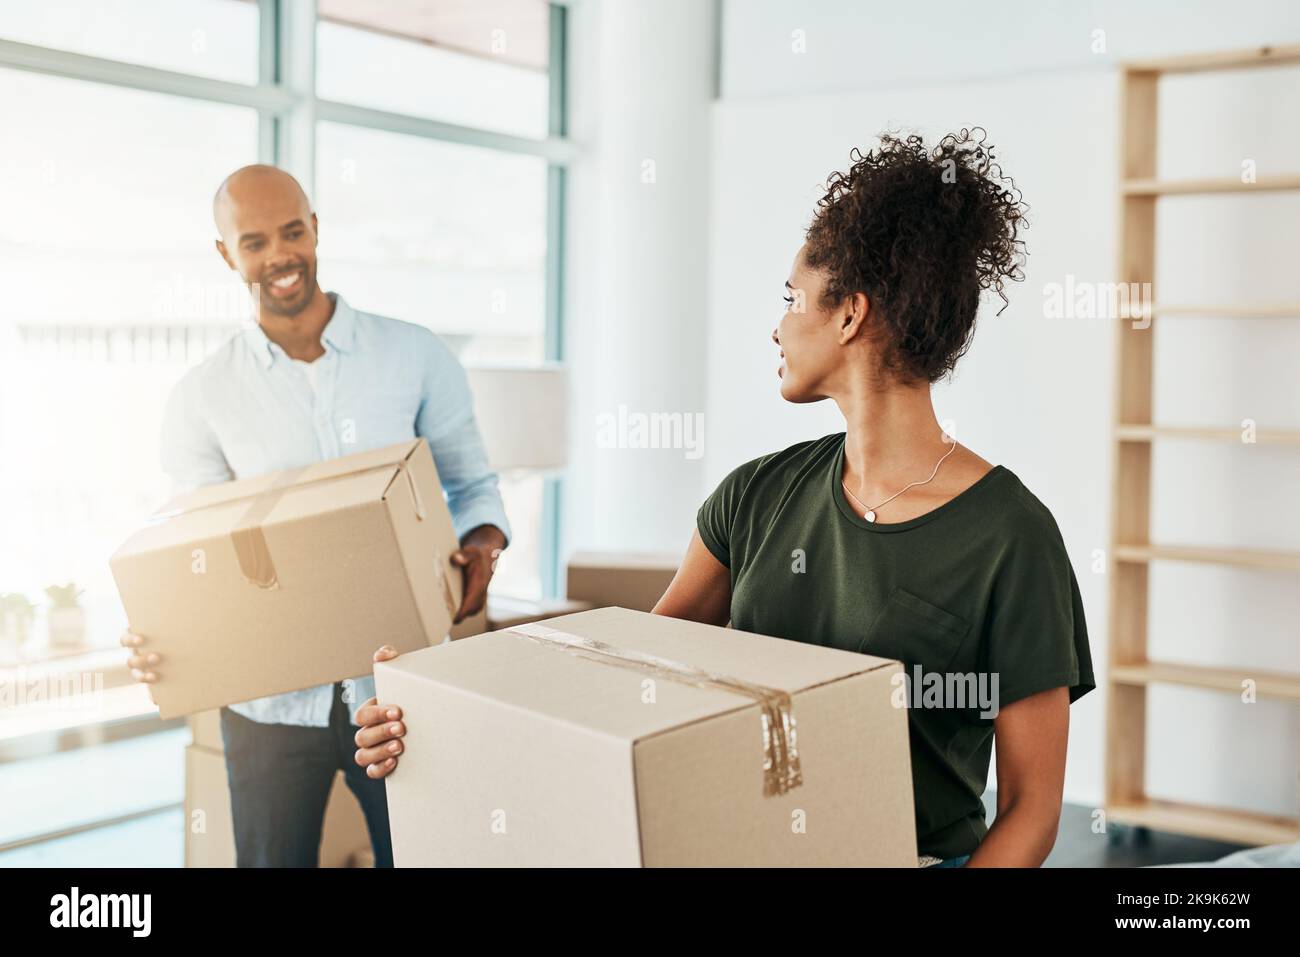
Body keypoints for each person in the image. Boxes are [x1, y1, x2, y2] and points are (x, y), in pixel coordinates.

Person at [356, 128, 1096, 867]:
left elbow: (1032, 807)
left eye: (791, 298)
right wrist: (429, 709)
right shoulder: (753, 497)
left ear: (850, 315)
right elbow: (623, 691)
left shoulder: (1011, 536)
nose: (777, 325)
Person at [120, 164, 510, 867]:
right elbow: (197, 557)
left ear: (316, 229)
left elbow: (473, 484)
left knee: (422, 856)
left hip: (402, 688)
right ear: (226, 254)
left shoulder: (413, 354)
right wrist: (167, 629)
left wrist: (483, 545)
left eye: (293, 232)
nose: (279, 257)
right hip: (267, 706)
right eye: (255, 241)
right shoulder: (202, 396)